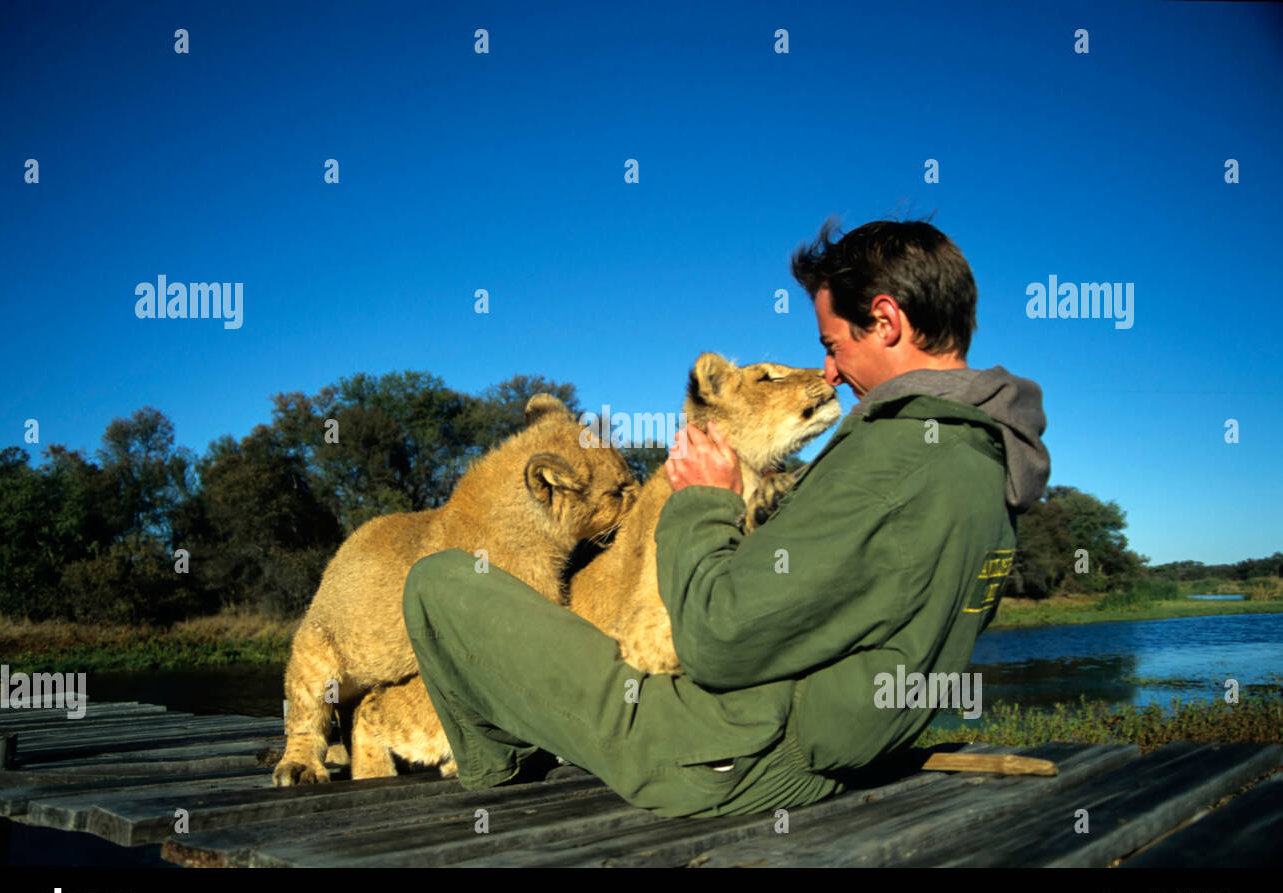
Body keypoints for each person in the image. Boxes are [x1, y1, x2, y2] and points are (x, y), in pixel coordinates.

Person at [403, 217, 1050, 818]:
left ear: (884, 319)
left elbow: (716, 641)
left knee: (441, 582)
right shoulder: (987, 457)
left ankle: (502, 771)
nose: (828, 371)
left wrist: (702, 500)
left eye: (832, 344)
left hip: (720, 754)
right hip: (821, 749)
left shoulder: (893, 455)